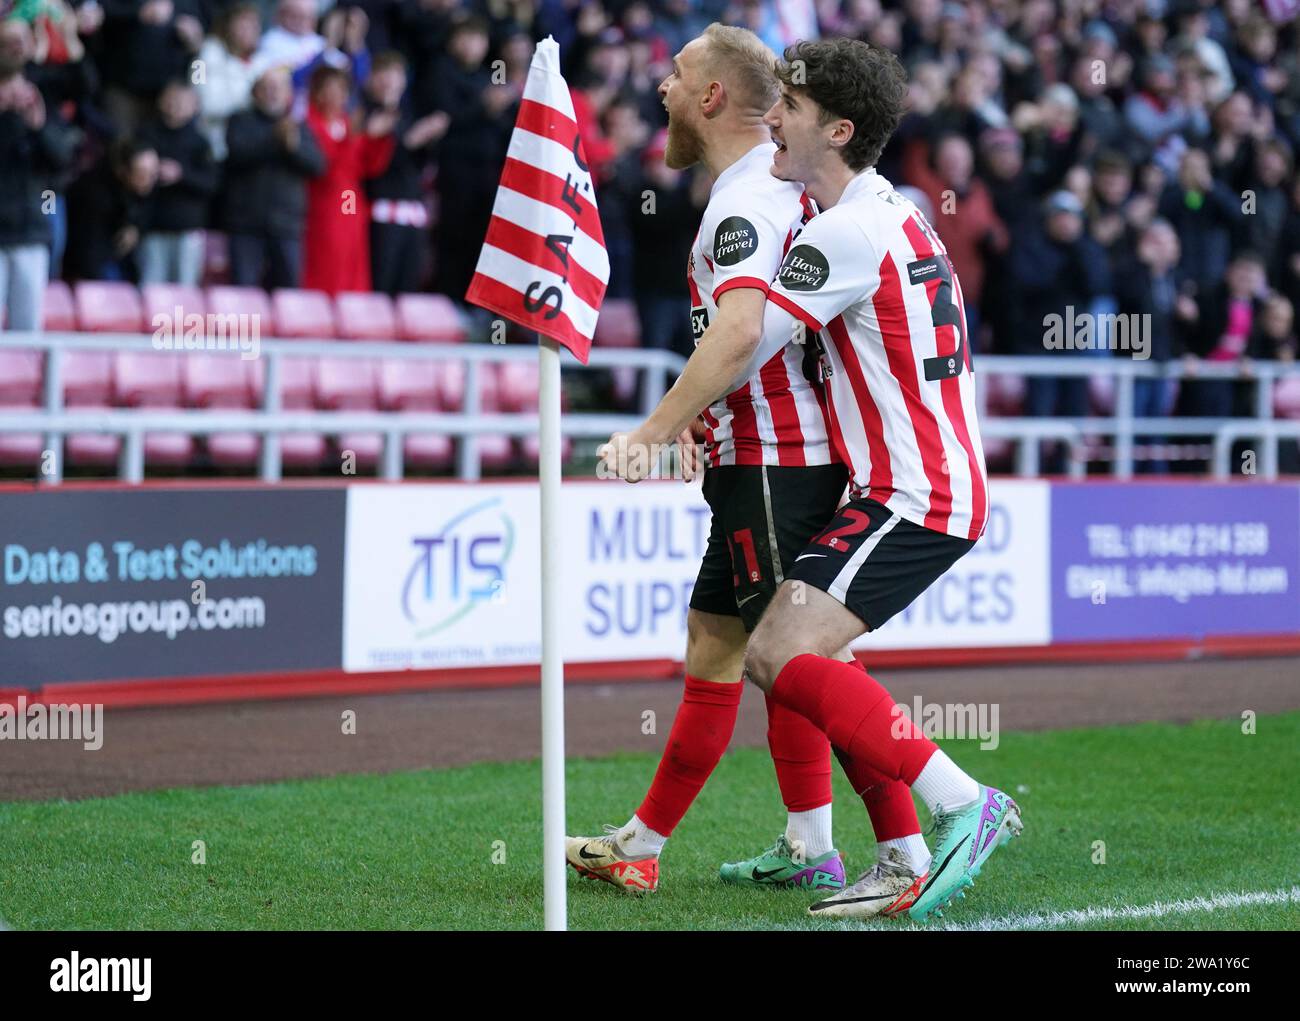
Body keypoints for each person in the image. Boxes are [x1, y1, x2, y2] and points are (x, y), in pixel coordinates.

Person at [602, 36, 1021, 923]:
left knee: (787, 653)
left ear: (836, 129)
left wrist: (658, 429)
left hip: (913, 493)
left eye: (786, 109)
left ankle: (958, 803)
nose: (771, 124)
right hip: (916, 482)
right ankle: (858, 848)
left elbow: (743, 334)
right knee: (775, 650)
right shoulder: (891, 211)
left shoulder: (841, 232)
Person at [222, 66, 324, 289]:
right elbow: (237, 155)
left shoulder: (299, 126)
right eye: (266, 87)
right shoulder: (240, 120)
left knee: (289, 296)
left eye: (278, 88)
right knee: (243, 295)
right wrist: (276, 141)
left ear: (288, 94)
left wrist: (294, 147)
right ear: (255, 93)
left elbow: (318, 167)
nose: (272, 93)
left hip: (287, 225)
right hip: (246, 224)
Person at [300, 63, 395, 294]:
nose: (338, 95)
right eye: (331, 88)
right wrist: (355, 136)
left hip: (351, 199)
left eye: (342, 89)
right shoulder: (309, 123)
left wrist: (379, 138)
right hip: (325, 200)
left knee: (352, 253)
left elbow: (369, 166)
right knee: (329, 254)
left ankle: (351, 312)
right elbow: (324, 166)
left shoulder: (347, 122)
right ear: (318, 92)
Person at [134, 79, 217, 285]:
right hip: (153, 226)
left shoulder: (201, 141)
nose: (176, 105)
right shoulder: (146, 134)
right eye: (171, 98)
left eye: (183, 100)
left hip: (187, 229)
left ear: (194, 106)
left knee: (185, 293)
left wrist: (181, 175)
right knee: (151, 289)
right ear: (161, 101)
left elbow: (212, 183)